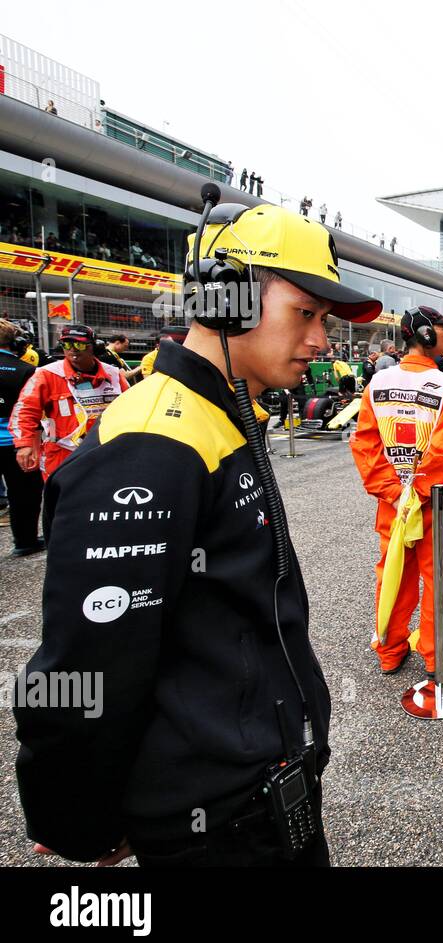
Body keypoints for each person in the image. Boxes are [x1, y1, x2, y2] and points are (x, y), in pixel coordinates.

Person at [15, 201, 382, 866]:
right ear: (226, 302)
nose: (322, 341)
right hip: (214, 826)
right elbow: (83, 662)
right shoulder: (154, 440)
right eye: (306, 313)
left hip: (265, 793)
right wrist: (79, 817)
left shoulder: (224, 414)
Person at [351, 306, 443, 676]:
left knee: (394, 576)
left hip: (394, 505)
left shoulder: (377, 384)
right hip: (434, 503)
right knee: (439, 580)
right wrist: (416, 494)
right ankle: (436, 659)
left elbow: (365, 445)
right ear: (426, 334)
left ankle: (389, 651)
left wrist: (393, 492)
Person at [11, 324, 131, 481]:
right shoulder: (47, 374)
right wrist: (24, 444)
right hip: (62, 453)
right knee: (62, 502)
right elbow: (24, 411)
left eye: (79, 344)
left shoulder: (113, 375)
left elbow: (131, 408)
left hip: (105, 452)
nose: (72, 349)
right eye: (67, 344)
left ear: (93, 347)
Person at [0, 319, 44, 556]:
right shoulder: (25, 370)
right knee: (24, 494)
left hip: (14, 442)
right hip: (15, 443)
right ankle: (25, 540)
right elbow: (32, 410)